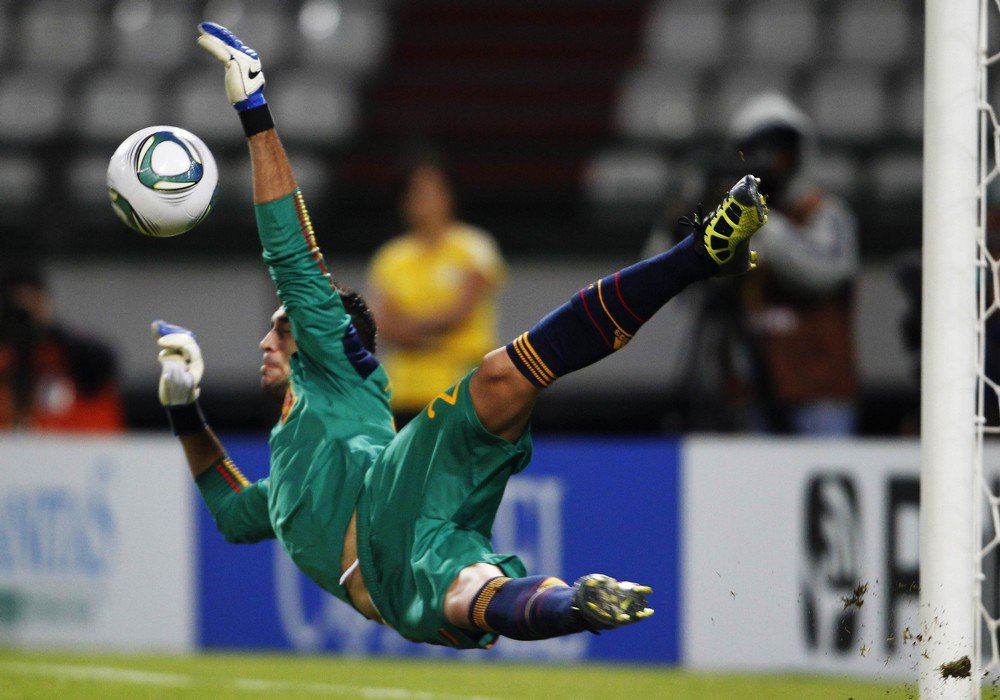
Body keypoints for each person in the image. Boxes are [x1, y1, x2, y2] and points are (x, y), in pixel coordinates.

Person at [155, 22, 766, 650]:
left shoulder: (336, 371)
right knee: (471, 592)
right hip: (397, 580)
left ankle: (699, 254)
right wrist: (182, 408)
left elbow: (292, 256)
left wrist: (255, 113)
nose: (267, 343)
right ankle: (575, 603)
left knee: (505, 373)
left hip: (397, 487)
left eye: (282, 333)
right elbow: (230, 511)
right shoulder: (283, 480)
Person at [729, 93, 860, 435]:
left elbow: (825, 275)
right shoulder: (738, 221)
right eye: (755, 151)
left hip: (819, 393)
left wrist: (763, 225)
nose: (768, 162)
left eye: (777, 150)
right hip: (754, 393)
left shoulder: (825, 213)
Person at [368, 155, 506, 427]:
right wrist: (433, 330)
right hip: (405, 392)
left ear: (450, 196)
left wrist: (410, 328)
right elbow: (382, 326)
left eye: (433, 192)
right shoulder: (391, 257)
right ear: (404, 201)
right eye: (416, 193)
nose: (425, 201)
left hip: (464, 390)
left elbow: (459, 316)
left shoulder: (475, 247)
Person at [0, 266, 125, 432]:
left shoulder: (70, 354)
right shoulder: (6, 357)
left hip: (74, 445)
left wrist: (46, 328)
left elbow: (104, 363)